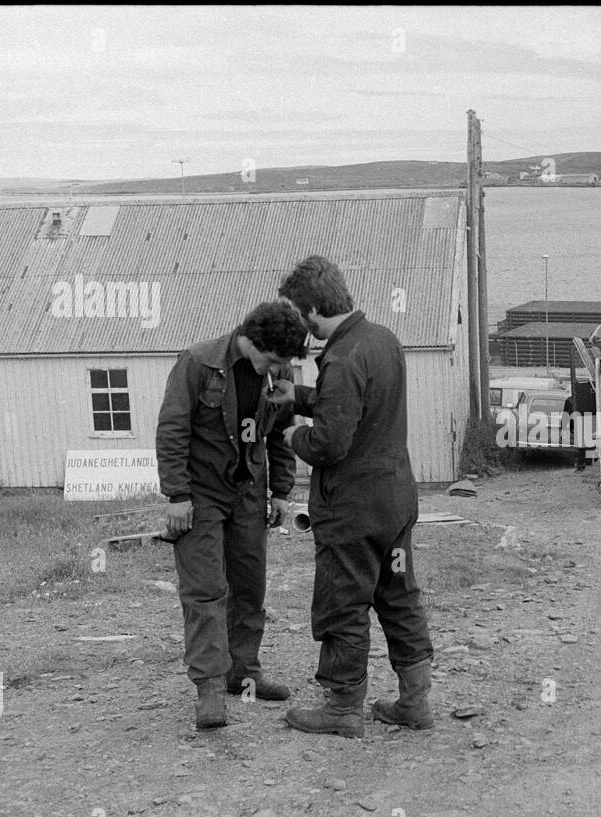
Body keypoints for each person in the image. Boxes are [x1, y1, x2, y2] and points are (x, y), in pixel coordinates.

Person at [270, 255, 435, 738]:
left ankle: (342, 709)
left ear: (316, 310)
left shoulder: (341, 358)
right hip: (395, 504)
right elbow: (357, 404)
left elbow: (330, 443)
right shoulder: (382, 339)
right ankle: (414, 702)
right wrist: (299, 396)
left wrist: (292, 437)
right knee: (398, 595)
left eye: (302, 318)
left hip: (352, 510)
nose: (302, 329)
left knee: (343, 603)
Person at [156, 300, 308, 730]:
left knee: (249, 584)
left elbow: (279, 430)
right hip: (199, 495)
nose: (278, 369)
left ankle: (245, 672)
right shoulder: (198, 363)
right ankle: (209, 687)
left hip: (248, 492)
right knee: (205, 589)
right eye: (274, 360)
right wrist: (177, 494)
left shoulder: (276, 372)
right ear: (254, 342)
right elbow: (171, 428)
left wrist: (281, 489)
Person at [562, 380, 597, 471]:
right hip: (590, 423)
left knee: (581, 447)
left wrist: (565, 427)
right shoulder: (592, 398)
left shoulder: (570, 400)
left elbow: (565, 414)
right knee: (588, 445)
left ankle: (581, 465)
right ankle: (587, 463)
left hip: (578, 425)